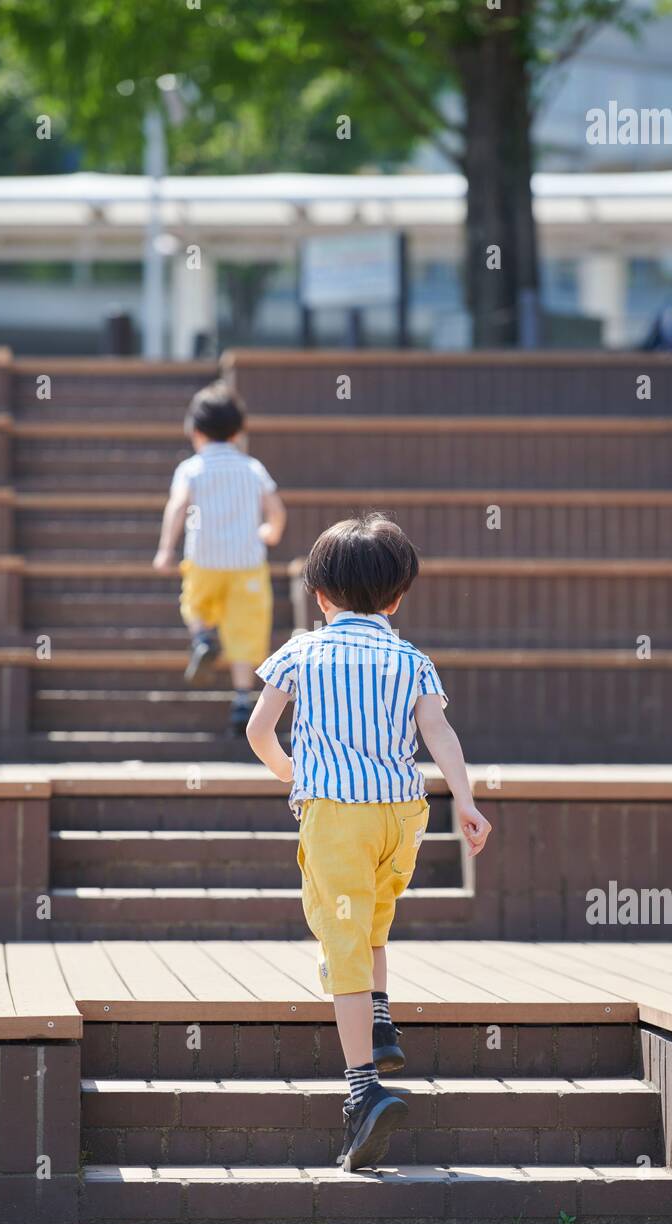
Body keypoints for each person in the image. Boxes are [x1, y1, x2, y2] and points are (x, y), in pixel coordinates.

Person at [247, 514, 491, 1171]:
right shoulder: (410, 659)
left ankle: (364, 1092)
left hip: (337, 816)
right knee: (375, 918)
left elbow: (259, 729)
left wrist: (292, 775)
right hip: (403, 816)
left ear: (319, 596)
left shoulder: (301, 651)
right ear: (397, 596)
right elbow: (440, 735)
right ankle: (380, 1019)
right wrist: (464, 800)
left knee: (342, 944)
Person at [153, 380, 287, 736]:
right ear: (239, 432)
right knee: (244, 629)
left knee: (195, 605)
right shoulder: (252, 468)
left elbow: (178, 506)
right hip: (247, 564)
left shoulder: (192, 469)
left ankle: (203, 640)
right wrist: (270, 532)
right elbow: (276, 510)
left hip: (204, 559)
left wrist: (166, 549)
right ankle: (243, 699)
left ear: (195, 432)